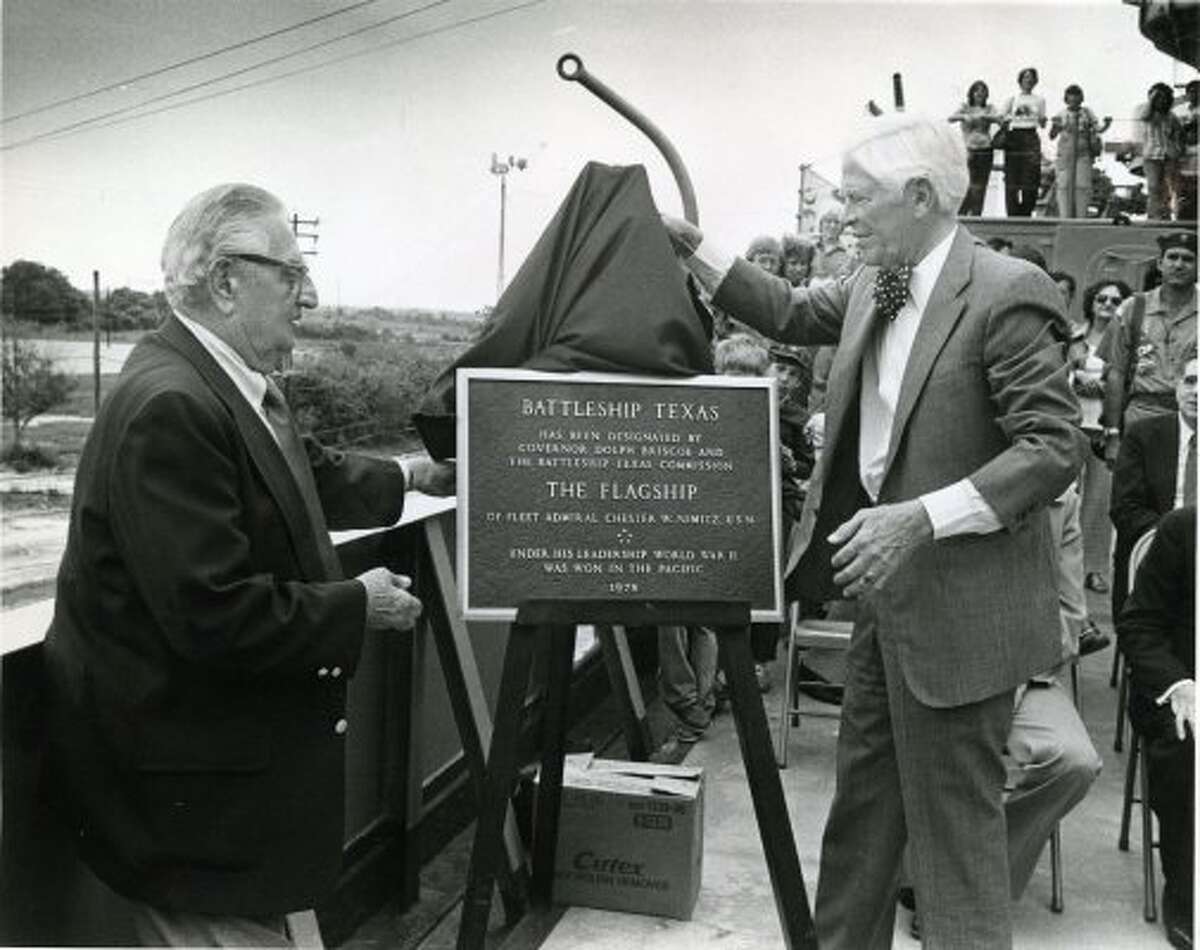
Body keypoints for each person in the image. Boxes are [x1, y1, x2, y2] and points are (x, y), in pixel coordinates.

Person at [663, 111, 1084, 948]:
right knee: (861, 827)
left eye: (860, 201)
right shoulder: (878, 282)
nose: (845, 217)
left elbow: (1053, 447)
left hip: (963, 617)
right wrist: (693, 247)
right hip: (885, 608)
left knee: (957, 847)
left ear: (921, 196)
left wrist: (920, 520)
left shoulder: (1005, 292)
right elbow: (783, 308)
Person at [41, 183, 455, 946]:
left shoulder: (219, 378)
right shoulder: (174, 403)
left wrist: (417, 476)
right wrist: (355, 604)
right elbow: (214, 611)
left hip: (219, 795)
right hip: (189, 817)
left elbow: (302, 470)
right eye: (292, 274)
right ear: (226, 280)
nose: (311, 296)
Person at [1116, 506, 1195, 950]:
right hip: (1180, 687)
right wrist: (1179, 682)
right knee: (1187, 741)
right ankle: (1186, 890)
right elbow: (1139, 625)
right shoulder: (1184, 529)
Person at [1110, 346, 1196, 628]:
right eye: (1190, 381)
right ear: (1176, 386)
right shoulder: (1143, 436)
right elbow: (1125, 509)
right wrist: (1173, 541)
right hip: (1155, 551)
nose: (1196, 392)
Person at [1101, 230, 1198, 467]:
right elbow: (1116, 373)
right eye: (1172, 257)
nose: (1179, 264)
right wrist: (1113, 433)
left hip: (1193, 417)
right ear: (1159, 264)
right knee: (1137, 494)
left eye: (1188, 259)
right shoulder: (1133, 308)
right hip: (1142, 413)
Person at [1075, 279, 1132, 596]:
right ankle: (1057, 563)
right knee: (1063, 498)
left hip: (1106, 429)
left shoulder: (1128, 339)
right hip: (1070, 425)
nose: (1108, 305)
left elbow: (1128, 380)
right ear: (1091, 301)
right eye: (1101, 298)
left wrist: (1109, 387)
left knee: (1099, 501)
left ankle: (1093, 569)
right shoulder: (1072, 336)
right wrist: (1075, 378)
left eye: (1115, 300)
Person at [1048, 84, 1111, 219]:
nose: (1074, 102)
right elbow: (1052, 135)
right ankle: (1065, 216)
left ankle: (1081, 216)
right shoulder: (1061, 114)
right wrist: (1056, 126)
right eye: (1071, 99)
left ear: (1081, 99)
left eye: (1077, 99)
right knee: (1064, 185)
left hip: (1083, 152)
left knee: (1082, 185)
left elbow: (1098, 129)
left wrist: (1107, 124)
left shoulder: (1087, 113)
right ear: (1066, 99)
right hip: (1065, 153)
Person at [949, 79, 1002, 216]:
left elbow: (999, 118)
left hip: (985, 149)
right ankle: (962, 214)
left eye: (983, 91)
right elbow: (950, 118)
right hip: (969, 149)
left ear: (986, 94)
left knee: (981, 185)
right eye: (977, 90)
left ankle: (976, 215)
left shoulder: (989, 108)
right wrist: (964, 116)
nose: (980, 93)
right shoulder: (965, 107)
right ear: (971, 93)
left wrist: (986, 117)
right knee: (968, 184)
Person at [1000, 67, 1048, 217]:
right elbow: (1001, 117)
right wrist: (1007, 119)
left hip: (1031, 136)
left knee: (1031, 176)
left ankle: (1026, 212)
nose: (1028, 80)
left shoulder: (1039, 100)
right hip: (1015, 136)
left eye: (1031, 77)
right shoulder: (1012, 98)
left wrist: (1042, 120)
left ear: (1035, 81)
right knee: (1012, 176)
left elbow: (1042, 123)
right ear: (1020, 80)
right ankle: (1012, 213)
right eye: (1025, 77)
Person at [1135, 82, 1185, 221]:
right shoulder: (1147, 113)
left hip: (1168, 156)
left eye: (1164, 98)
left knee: (1167, 187)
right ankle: (1153, 216)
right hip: (1151, 156)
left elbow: (1180, 134)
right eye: (1159, 98)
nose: (1161, 101)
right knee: (1153, 186)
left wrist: (1177, 149)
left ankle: (1165, 215)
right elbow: (1144, 115)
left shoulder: (1171, 117)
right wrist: (1153, 95)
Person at [1178, 79, 1199, 222]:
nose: (1195, 94)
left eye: (1198, 91)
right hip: (1186, 164)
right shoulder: (1181, 111)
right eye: (1192, 92)